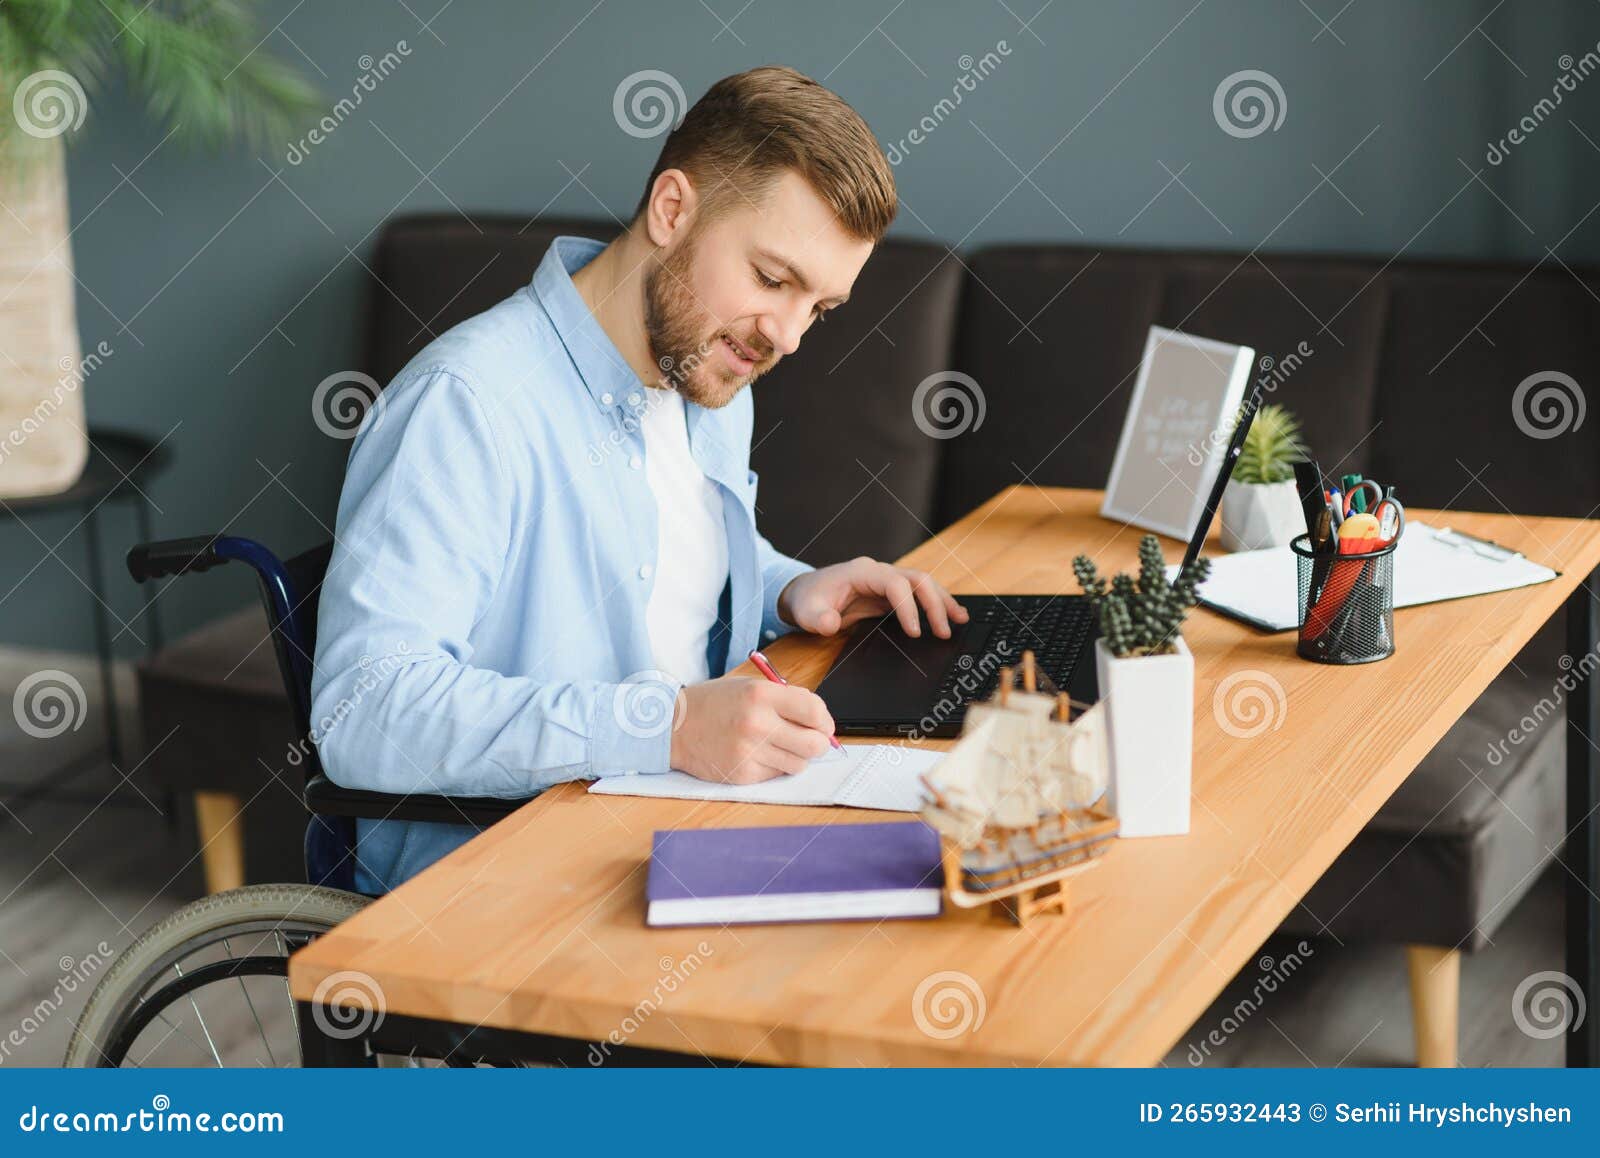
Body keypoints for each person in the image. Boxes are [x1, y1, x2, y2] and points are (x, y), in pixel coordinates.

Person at [311, 66, 967, 893]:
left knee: (945, 876)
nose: (790, 337)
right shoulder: (468, 406)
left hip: (680, 817)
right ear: (672, 210)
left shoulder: (708, 375)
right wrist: (671, 726)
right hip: (503, 882)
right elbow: (364, 710)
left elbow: (663, 561)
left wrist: (789, 589)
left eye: (820, 308)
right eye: (773, 280)